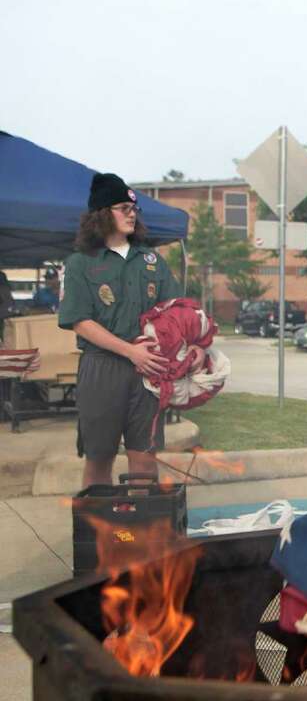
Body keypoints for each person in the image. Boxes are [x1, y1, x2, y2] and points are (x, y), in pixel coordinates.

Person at [58, 173, 183, 488]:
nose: (132, 214)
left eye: (134, 208)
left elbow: (175, 311)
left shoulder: (151, 260)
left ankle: (142, 520)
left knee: (145, 458)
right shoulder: (81, 262)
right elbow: (80, 321)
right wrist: (130, 351)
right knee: (99, 458)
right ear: (102, 213)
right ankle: (99, 520)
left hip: (148, 369)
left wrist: (187, 345)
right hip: (103, 367)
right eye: (123, 208)